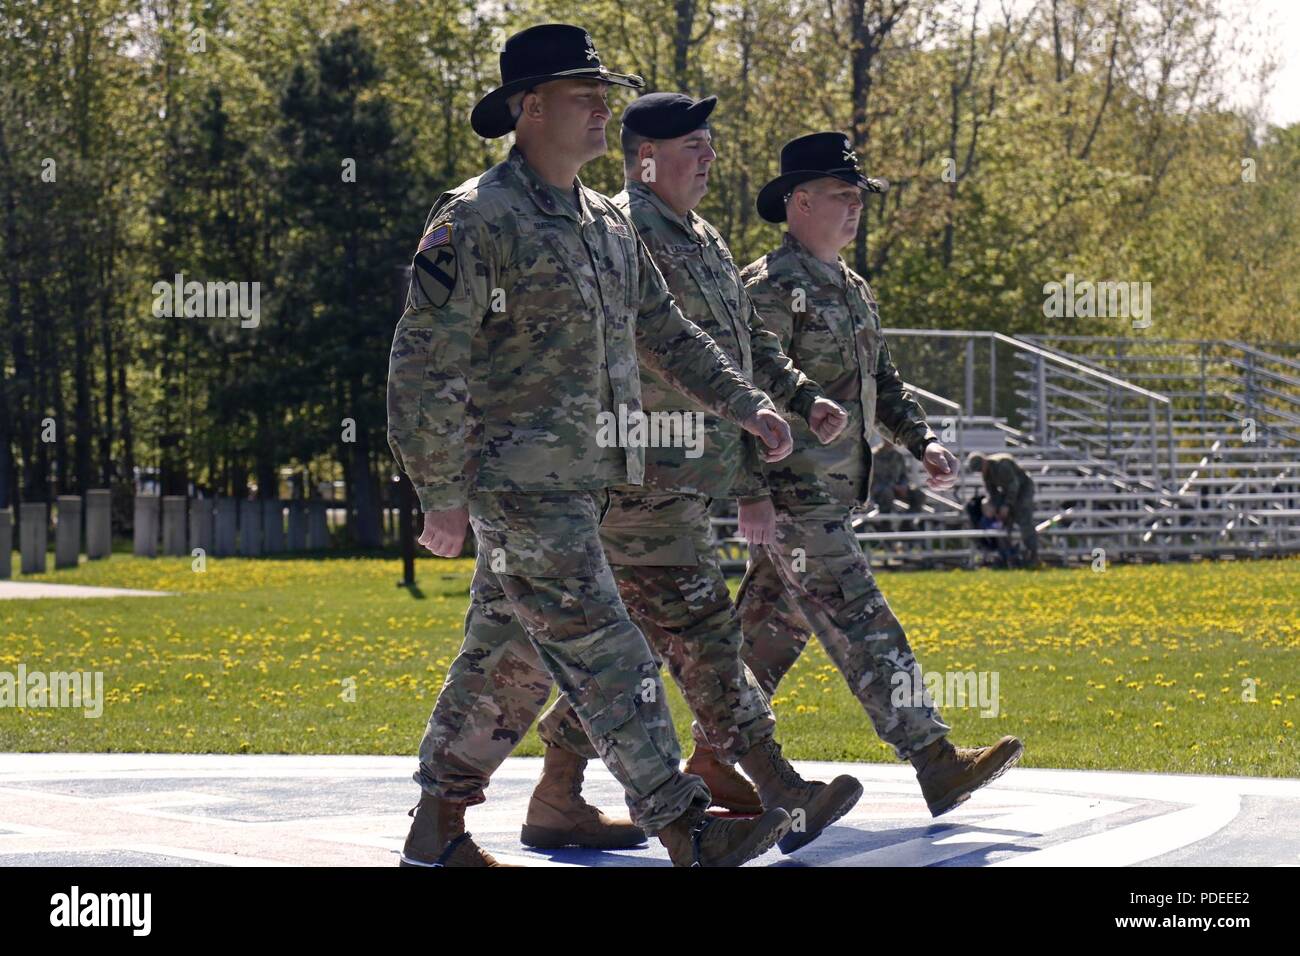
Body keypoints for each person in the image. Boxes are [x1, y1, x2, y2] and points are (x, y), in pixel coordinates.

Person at [388, 24, 793, 867]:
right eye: (584, 94)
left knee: (510, 663)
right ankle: (687, 824)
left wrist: (748, 404)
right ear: (528, 108)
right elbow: (424, 360)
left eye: (604, 92)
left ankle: (437, 827)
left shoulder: (608, 224)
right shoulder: (478, 217)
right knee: (613, 653)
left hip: (592, 486)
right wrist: (440, 491)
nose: (604, 107)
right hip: (520, 488)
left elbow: (667, 332)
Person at [514, 92, 864, 854]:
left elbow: (739, 347)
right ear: (646, 158)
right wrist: (747, 466)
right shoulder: (620, 231)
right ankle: (775, 784)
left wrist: (798, 400)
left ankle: (558, 794)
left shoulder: (701, 238)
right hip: (637, 482)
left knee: (633, 647)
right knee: (705, 632)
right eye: (691, 145)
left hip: (681, 480)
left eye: (710, 143)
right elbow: (646, 349)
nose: (708, 157)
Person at [727, 132, 1023, 819]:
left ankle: (712, 758)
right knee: (862, 619)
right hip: (794, 496)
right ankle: (934, 759)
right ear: (799, 201)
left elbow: (883, 385)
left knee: (764, 637)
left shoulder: (852, 289)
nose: (855, 208)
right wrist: (751, 491)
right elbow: (739, 392)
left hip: (833, 495)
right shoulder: (768, 289)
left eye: (860, 197)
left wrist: (922, 443)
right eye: (841, 195)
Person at [966, 451, 1039, 567]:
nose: (981, 471)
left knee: (1024, 518)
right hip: (1008, 492)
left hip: (1024, 488)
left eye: (980, 468)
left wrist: (1007, 505)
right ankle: (1007, 555)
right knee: (1003, 522)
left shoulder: (1001, 464)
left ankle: (1033, 555)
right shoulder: (986, 473)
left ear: (984, 461)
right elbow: (992, 492)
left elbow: (1013, 485)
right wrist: (997, 508)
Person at [869, 439, 926, 533]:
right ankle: (885, 525)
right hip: (880, 489)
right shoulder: (874, 455)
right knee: (886, 493)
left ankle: (907, 523)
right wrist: (893, 486)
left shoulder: (898, 456)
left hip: (897, 488)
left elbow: (903, 475)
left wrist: (903, 485)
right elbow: (873, 478)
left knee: (919, 495)